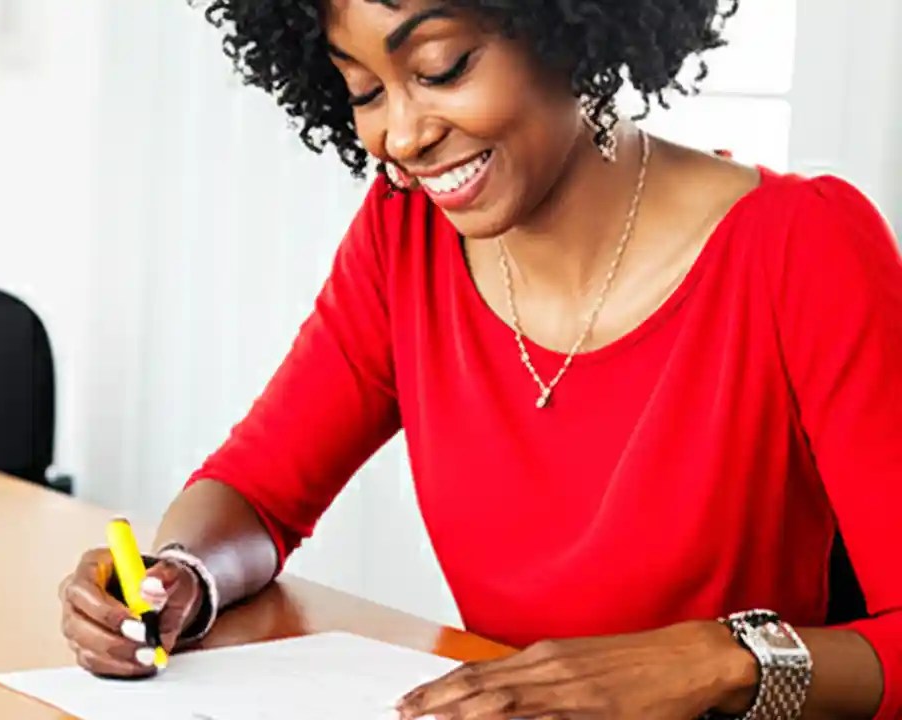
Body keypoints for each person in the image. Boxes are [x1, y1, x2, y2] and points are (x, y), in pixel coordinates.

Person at [60, 0, 902, 717]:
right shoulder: (406, 238)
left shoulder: (803, 247)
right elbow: (258, 490)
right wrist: (181, 577)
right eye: (364, 90)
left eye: (443, 67)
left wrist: (711, 662)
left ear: (568, 29)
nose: (401, 135)